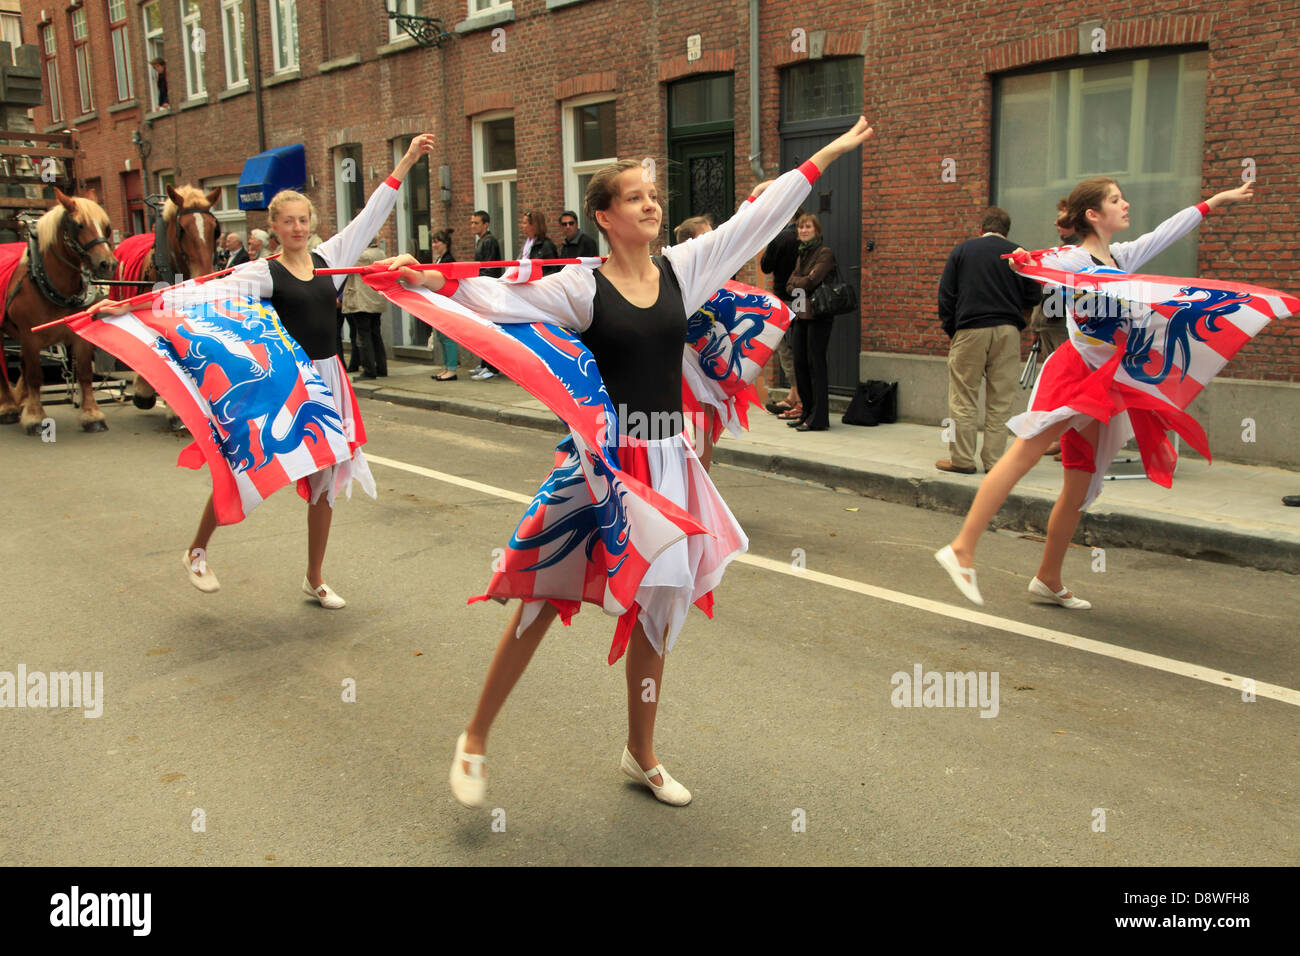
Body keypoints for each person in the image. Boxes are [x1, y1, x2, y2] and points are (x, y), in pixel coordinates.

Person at [384, 117, 874, 810]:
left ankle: (640, 753)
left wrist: (824, 154)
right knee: (540, 596)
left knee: (657, 611)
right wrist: (428, 275)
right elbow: (497, 294)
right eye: (637, 197)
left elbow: (758, 217)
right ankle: (474, 736)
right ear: (605, 216)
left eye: (654, 196)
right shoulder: (580, 287)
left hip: (668, 462)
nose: (652, 204)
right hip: (601, 465)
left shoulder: (686, 267)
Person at [93, 134, 437, 606]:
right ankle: (196, 550)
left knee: (326, 481)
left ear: (311, 224)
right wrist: (129, 307)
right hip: (284, 382)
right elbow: (197, 292)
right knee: (243, 466)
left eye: (303, 220)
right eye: (288, 221)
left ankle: (314, 577)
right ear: (273, 227)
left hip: (329, 379)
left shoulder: (330, 259)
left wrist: (410, 159)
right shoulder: (261, 273)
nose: (297, 227)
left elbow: (371, 215)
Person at [935, 175, 1256, 610]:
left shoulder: (1120, 257)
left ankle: (1047, 579)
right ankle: (962, 549)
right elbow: (1032, 261)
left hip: (1104, 382)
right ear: (1093, 214)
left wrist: (1213, 202)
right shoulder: (1073, 257)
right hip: (1073, 375)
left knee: (1080, 486)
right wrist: (1023, 260)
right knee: (1023, 456)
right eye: (1116, 200)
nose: (1126, 205)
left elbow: (1168, 230)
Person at [936, 206, 1042, 474]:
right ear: (1006, 232)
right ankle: (994, 462)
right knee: (1001, 401)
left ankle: (962, 459)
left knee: (963, 397)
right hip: (1007, 330)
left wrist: (953, 330)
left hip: (970, 328)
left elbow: (946, 295)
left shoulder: (962, 251)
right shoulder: (1018, 253)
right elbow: (1034, 294)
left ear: (980, 229)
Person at [785, 213, 836, 432]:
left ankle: (819, 418)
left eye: (808, 227)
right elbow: (790, 284)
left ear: (817, 230)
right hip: (801, 316)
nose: (804, 230)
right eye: (801, 227)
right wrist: (801, 282)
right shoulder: (802, 255)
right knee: (800, 364)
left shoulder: (824, 253)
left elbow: (813, 280)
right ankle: (806, 411)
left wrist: (800, 282)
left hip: (818, 316)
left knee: (816, 365)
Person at [760, 213, 803, 420]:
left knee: (786, 347)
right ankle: (794, 395)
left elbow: (765, 266)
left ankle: (798, 396)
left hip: (783, 299)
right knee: (800, 346)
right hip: (802, 299)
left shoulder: (780, 236)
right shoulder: (807, 238)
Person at [342, 242, 388, 380]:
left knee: (363, 336)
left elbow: (346, 264)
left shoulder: (361, 256)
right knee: (376, 334)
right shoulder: (380, 253)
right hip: (376, 299)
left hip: (362, 300)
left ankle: (369, 370)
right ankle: (381, 368)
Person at [468, 210, 502, 379]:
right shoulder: (481, 241)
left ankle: (492, 367)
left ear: (485, 224)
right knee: (482, 328)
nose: (473, 225)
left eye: (476, 223)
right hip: (482, 289)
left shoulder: (489, 242)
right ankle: (484, 363)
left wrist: (479, 281)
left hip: (488, 290)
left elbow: (490, 268)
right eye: (472, 222)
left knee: (490, 329)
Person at [428, 229, 460, 381]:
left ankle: (452, 369)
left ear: (445, 243)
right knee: (441, 336)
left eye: (436, 242)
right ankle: (447, 367)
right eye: (433, 242)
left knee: (448, 337)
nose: (434, 245)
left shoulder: (448, 260)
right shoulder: (440, 260)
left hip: (446, 301)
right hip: (438, 301)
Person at [518, 209, 559, 274]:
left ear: (534, 226)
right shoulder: (526, 244)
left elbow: (553, 270)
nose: (522, 226)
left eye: (525, 223)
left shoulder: (546, 245)